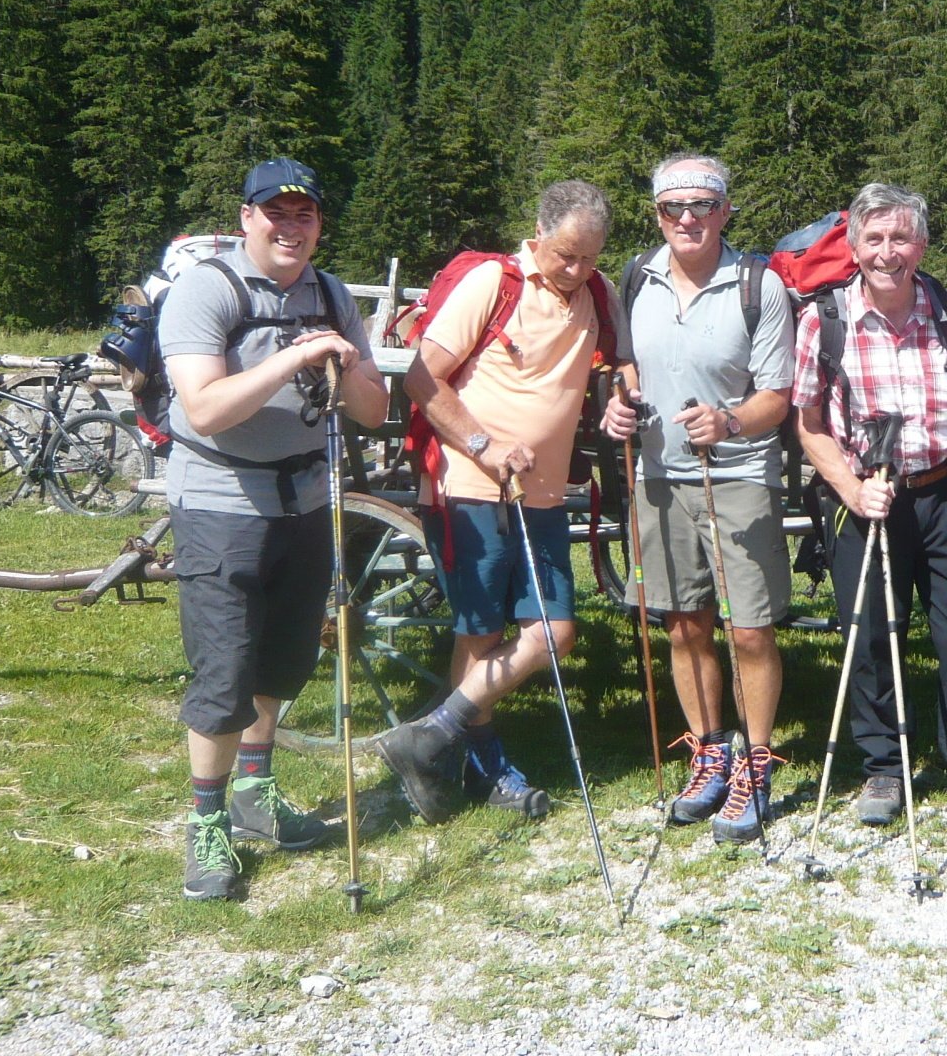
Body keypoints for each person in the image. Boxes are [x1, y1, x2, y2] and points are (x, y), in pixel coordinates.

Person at [162, 158, 390, 901]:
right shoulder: (208, 289)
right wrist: (295, 355)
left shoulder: (332, 295)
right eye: (276, 213)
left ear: (319, 223)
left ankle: (255, 794)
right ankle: (207, 823)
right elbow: (204, 409)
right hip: (220, 500)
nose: (291, 227)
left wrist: (346, 368)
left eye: (305, 214)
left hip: (306, 499)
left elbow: (374, 410)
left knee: (283, 658)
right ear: (247, 218)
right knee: (225, 668)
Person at [793, 183, 947, 850]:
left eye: (900, 238)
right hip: (864, 500)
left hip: (944, 493)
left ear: (921, 246)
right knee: (871, 636)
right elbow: (808, 423)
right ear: (854, 247)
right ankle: (883, 770)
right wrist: (849, 488)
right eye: (873, 239)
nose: (887, 252)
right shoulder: (824, 321)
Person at [377, 180, 622, 822]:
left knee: (555, 633)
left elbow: (622, 361)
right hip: (470, 484)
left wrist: (625, 393)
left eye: (590, 257)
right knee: (481, 630)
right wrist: (483, 445)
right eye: (566, 255)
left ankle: (432, 735)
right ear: (538, 235)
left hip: (542, 494)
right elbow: (422, 375)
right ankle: (483, 767)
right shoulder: (494, 283)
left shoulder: (599, 293)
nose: (576, 270)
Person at [599, 154, 796, 845]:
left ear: (725, 210)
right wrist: (620, 402)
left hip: (738, 474)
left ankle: (756, 762)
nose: (687, 218)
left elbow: (778, 395)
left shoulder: (759, 286)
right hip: (658, 475)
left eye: (702, 205)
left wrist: (730, 421)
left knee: (749, 628)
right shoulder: (637, 277)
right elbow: (625, 363)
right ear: (657, 215)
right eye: (672, 207)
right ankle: (709, 751)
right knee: (684, 624)